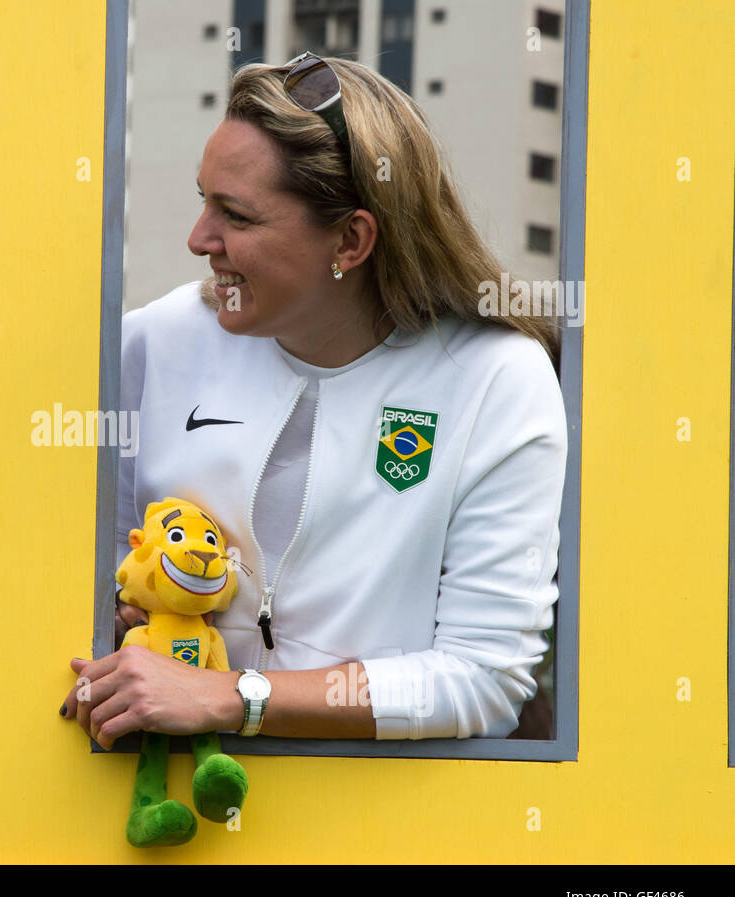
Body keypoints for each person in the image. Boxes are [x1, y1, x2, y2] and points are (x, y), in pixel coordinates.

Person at [62, 53, 566, 746]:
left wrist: (237, 696)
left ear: (351, 240)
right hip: (170, 830)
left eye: (234, 214)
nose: (199, 238)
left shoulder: (499, 380)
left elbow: (484, 677)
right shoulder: (151, 343)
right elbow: (84, 593)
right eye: (202, 198)